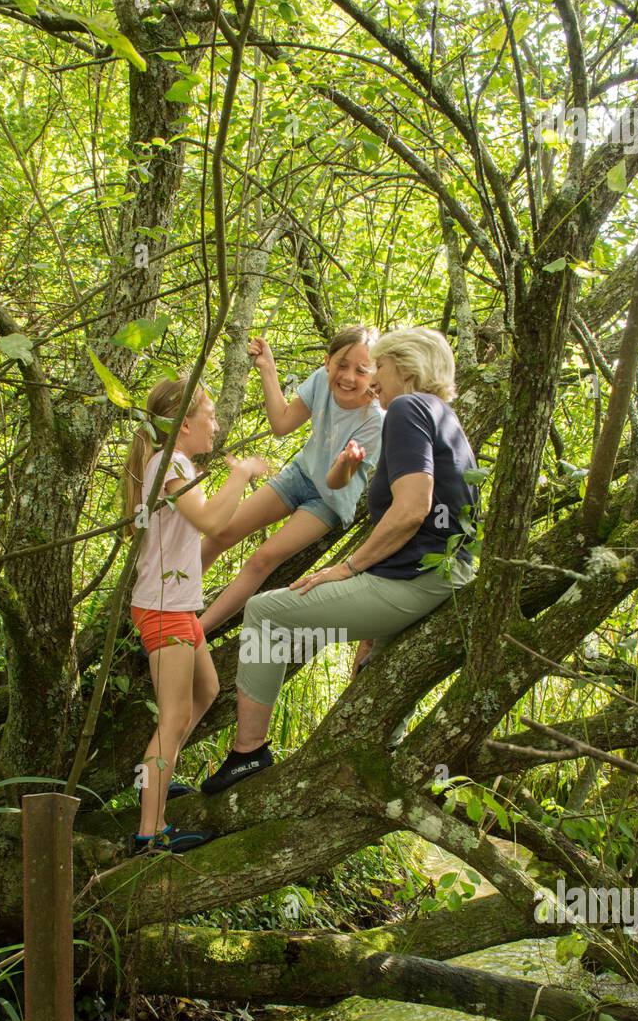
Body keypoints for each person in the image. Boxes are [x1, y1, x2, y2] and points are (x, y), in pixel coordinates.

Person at [200, 327, 478, 795]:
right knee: (372, 683)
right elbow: (432, 523)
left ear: (406, 369)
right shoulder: (442, 416)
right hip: (436, 576)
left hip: (418, 581)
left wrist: (348, 567)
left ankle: (248, 754)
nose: (374, 383)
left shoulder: (408, 409)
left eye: (380, 369)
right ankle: (377, 778)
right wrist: (376, 627)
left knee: (266, 613)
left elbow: (411, 510)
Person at [123, 376, 266, 851]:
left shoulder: (170, 461)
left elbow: (204, 523)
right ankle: (149, 832)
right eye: (211, 416)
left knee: (205, 691)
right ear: (184, 424)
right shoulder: (170, 462)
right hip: (163, 610)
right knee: (173, 717)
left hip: (175, 606)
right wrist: (242, 475)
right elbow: (209, 521)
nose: (217, 424)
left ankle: (157, 795)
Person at [199, 326, 384, 635]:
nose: (348, 377)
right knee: (223, 532)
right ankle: (172, 598)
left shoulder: (375, 420)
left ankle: (195, 631)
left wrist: (345, 463)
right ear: (327, 362)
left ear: (375, 375)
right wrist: (268, 369)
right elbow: (282, 423)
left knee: (263, 559)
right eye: (342, 365)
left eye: (361, 370)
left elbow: (337, 483)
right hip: (300, 475)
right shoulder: (322, 382)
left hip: (328, 499)